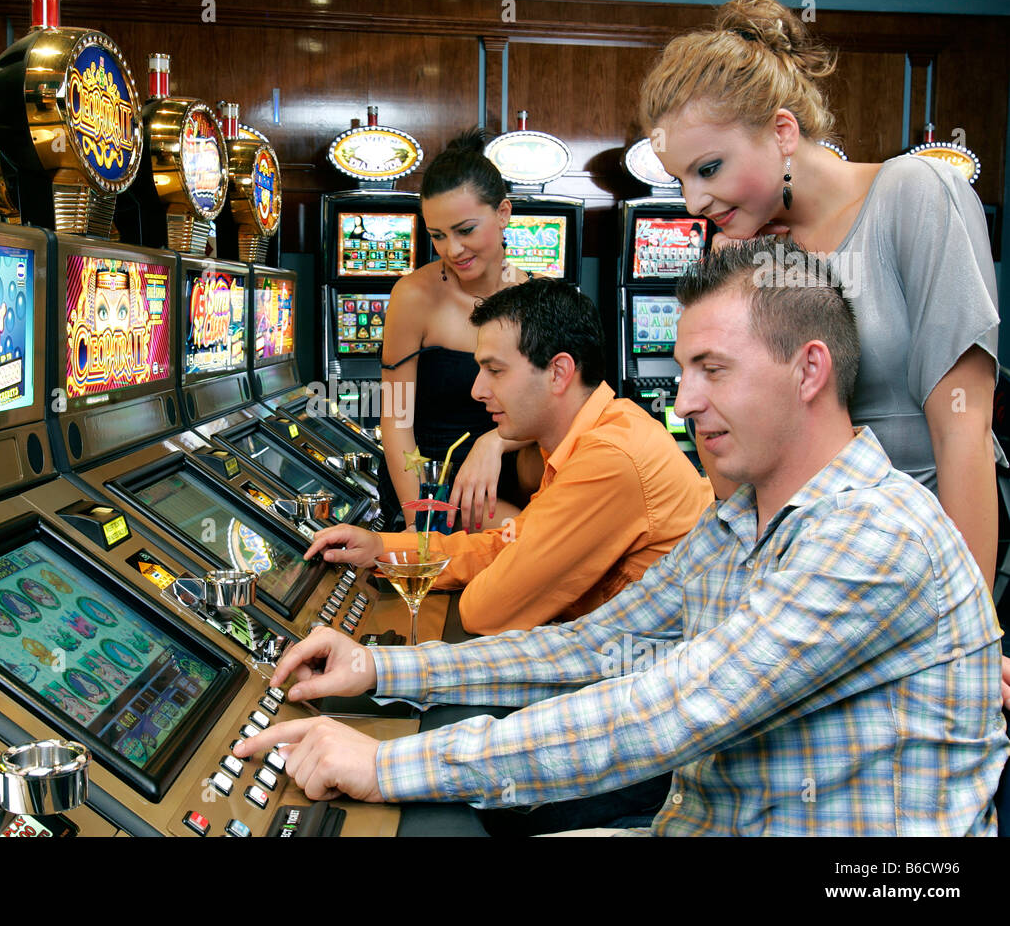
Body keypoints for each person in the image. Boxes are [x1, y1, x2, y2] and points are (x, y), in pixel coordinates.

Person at [235, 239, 1008, 835]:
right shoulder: (741, 519)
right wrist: (384, 667)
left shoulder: (871, 532)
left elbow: (670, 709)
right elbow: (593, 648)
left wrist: (387, 763)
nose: (687, 399)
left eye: (712, 369)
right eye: (683, 368)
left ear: (809, 370)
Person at [639, 0, 1001, 596]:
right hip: (800, 571)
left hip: (920, 556)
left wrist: (966, 631)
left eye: (708, 169)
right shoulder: (742, 255)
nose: (693, 202)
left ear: (783, 132)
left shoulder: (915, 194)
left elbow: (964, 429)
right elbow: (735, 473)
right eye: (680, 179)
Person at [308, 278, 712, 636]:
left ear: (558, 372)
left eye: (495, 371)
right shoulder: (593, 432)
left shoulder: (608, 457)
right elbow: (504, 548)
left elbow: (484, 610)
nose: (477, 390)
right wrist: (383, 547)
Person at [379, 129, 539, 534]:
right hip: (433, 481)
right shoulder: (413, 296)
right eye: (437, 235)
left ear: (503, 213)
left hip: (514, 473)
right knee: (534, 543)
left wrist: (496, 443)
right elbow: (396, 419)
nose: (452, 250)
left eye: (465, 230)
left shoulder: (537, 295)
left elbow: (564, 413)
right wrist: (422, 514)